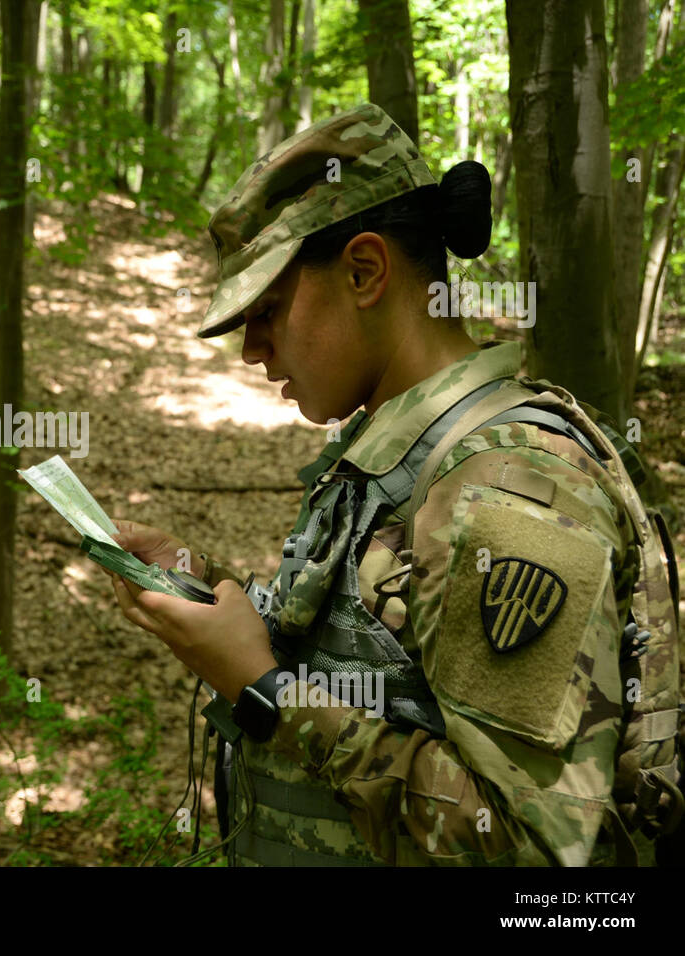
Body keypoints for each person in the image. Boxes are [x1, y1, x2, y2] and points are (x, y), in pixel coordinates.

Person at [103, 102, 682, 866]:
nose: (252, 350)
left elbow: (533, 855)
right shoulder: (400, 457)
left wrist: (267, 692)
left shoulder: (506, 488)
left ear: (366, 270)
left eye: (268, 310)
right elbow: (382, 653)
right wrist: (212, 595)